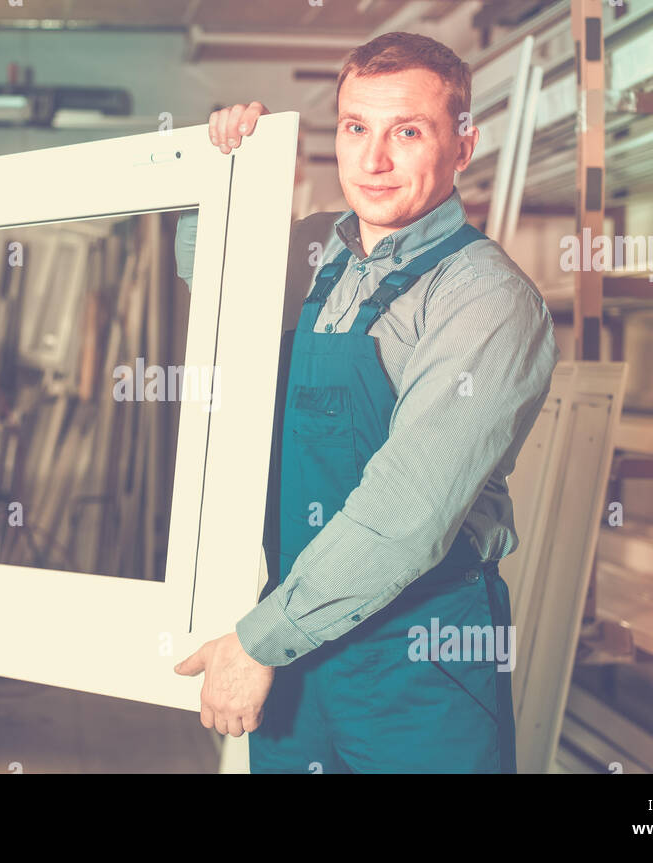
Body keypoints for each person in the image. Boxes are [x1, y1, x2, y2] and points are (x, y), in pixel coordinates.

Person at [172, 32, 560, 773]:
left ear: (464, 145)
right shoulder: (316, 248)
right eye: (357, 129)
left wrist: (259, 640)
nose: (374, 160)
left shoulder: (486, 299)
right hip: (300, 639)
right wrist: (224, 169)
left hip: (418, 659)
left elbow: (406, 512)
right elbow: (210, 284)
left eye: (406, 132)